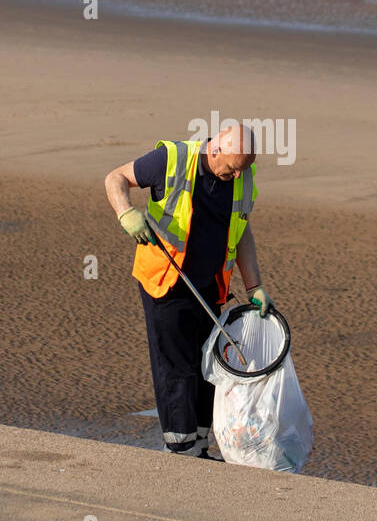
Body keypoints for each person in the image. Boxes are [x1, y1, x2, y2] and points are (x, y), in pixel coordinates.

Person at [104, 123, 272, 459]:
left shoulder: (242, 176)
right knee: (177, 365)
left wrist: (255, 285)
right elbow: (115, 178)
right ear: (214, 150)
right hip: (166, 279)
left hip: (211, 285)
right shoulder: (172, 159)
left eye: (242, 170)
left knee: (209, 364)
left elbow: (241, 230)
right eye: (231, 170)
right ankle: (179, 448)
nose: (237, 177)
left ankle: (198, 443)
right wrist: (126, 213)